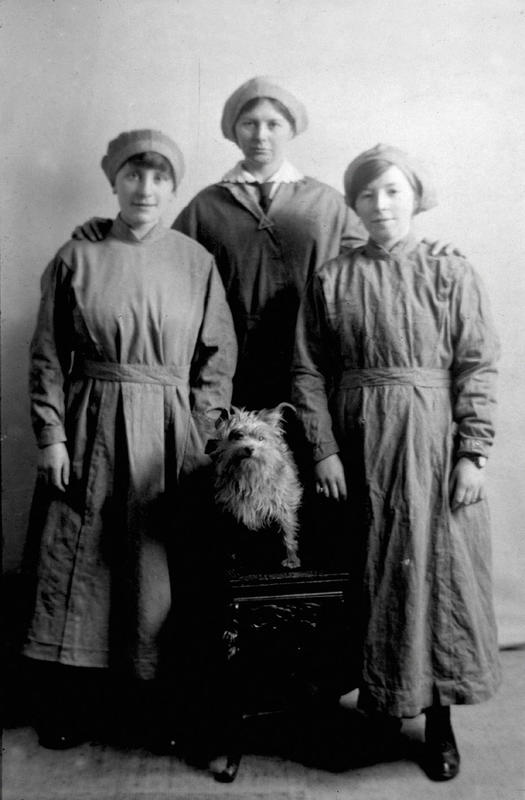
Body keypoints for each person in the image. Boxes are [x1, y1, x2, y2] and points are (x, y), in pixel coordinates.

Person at [22, 129, 237, 752]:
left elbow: (216, 359)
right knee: (81, 562)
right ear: (114, 182)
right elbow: (45, 355)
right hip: (91, 422)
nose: (146, 189)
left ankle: (151, 703)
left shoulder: (195, 262)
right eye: (134, 176)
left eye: (160, 178)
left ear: (173, 187)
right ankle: (72, 700)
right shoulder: (76, 256)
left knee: (155, 568)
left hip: (167, 434)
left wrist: (198, 434)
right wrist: (52, 437)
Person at [291, 143, 501, 781]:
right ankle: (378, 716)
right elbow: (307, 369)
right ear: (352, 204)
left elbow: (477, 364)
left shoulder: (449, 272)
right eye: (367, 194)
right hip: (357, 444)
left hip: (430, 442)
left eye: (393, 191)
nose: (380, 206)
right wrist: (323, 448)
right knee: (367, 572)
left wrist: (473, 452)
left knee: (434, 576)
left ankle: (438, 723)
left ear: (415, 196)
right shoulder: (333, 277)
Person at [73, 77, 459, 413]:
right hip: (232, 367)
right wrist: (110, 233)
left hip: (316, 364)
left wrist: (424, 251)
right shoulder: (207, 206)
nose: (261, 135)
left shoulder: (325, 202)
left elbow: (376, 260)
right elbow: (158, 257)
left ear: (291, 129)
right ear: (234, 131)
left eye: (273, 124)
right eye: (249, 124)